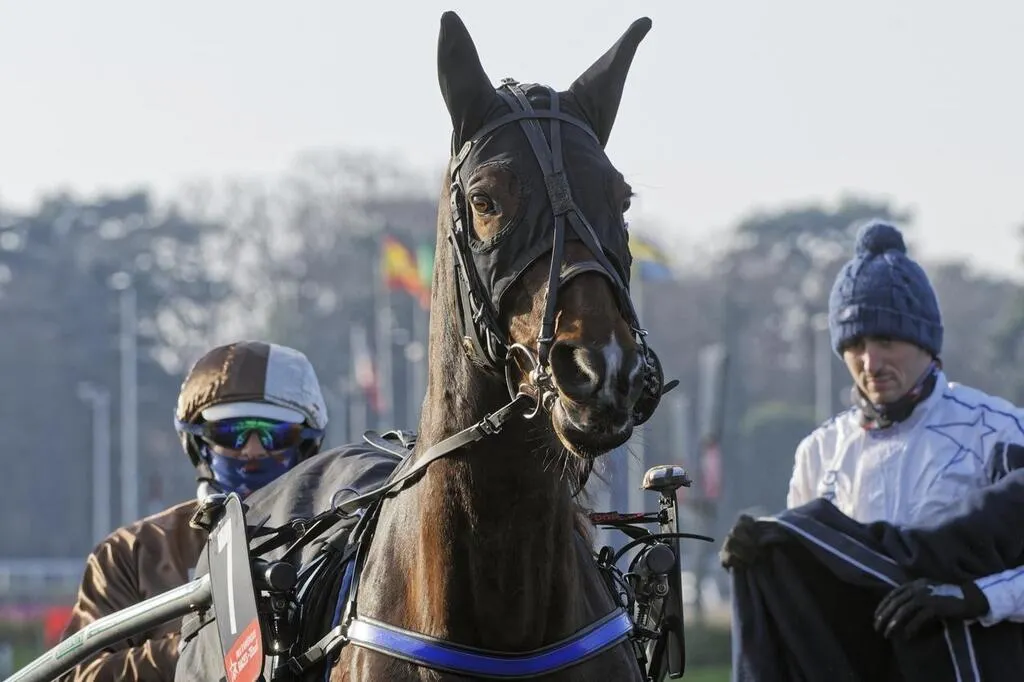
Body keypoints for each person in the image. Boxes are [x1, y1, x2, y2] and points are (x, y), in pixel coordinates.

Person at [721, 220, 1024, 636]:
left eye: (885, 341)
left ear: (926, 343)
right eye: (854, 345)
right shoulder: (819, 451)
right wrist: (766, 547)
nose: (870, 363)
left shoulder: (1000, 432)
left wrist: (973, 597)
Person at [57, 340, 329, 682]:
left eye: (275, 434)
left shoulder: (344, 540)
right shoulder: (132, 553)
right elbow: (79, 674)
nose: (253, 451)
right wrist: (210, 643)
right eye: (231, 434)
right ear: (199, 442)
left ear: (305, 443)